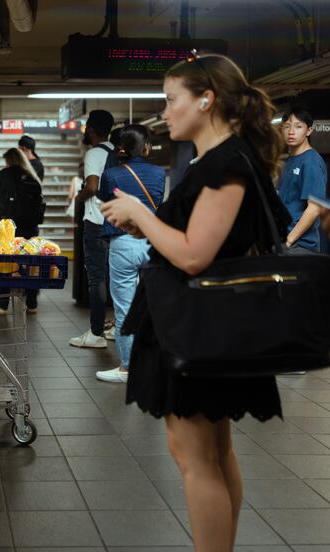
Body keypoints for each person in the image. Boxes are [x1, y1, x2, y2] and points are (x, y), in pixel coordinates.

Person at [101, 51, 290, 551]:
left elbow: (192, 255)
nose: (164, 111)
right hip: (209, 324)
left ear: (205, 100)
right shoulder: (224, 159)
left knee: (194, 457)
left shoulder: (227, 163)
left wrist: (141, 214)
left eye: (171, 100)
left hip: (200, 328)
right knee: (216, 451)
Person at [95, 125, 165, 383]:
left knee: (125, 307)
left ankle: (128, 367)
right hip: (152, 242)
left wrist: (116, 159)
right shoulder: (158, 173)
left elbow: (103, 197)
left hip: (123, 243)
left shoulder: (112, 173)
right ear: (146, 147)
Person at [71, 110, 115, 348]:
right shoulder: (117, 151)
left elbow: (92, 186)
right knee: (116, 278)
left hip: (97, 221)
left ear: (92, 128)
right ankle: (116, 327)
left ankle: (96, 333)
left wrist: (79, 197)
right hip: (117, 222)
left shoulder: (94, 152)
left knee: (97, 278)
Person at [0, 147, 44, 314]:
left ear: (8, 160)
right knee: (30, 264)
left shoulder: (2, 175)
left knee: (4, 264)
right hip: (29, 227)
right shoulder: (32, 176)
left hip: (6, 228)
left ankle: (2, 305)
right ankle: (32, 304)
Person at [278, 107, 328, 254]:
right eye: (287, 126)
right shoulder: (289, 161)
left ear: (309, 131)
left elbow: (314, 209)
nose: (291, 131)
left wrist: (289, 240)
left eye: (298, 126)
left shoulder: (311, 161)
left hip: (300, 245)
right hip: (284, 240)